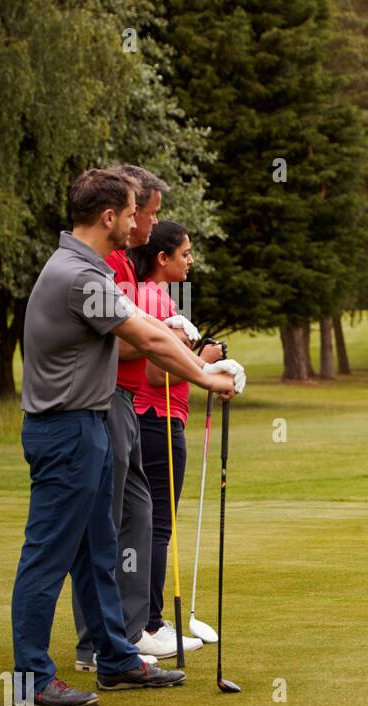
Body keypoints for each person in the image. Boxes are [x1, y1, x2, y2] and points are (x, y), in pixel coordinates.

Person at [12, 168, 244, 706]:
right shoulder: (79, 278)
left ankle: (115, 660)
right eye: (135, 210)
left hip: (87, 424)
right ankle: (31, 677)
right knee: (48, 554)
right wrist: (208, 377)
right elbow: (143, 337)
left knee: (99, 552)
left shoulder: (87, 269)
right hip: (65, 430)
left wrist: (197, 356)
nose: (143, 220)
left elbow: (155, 327)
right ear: (109, 217)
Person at [70, 164, 204, 669]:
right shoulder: (108, 270)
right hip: (111, 406)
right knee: (108, 525)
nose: (140, 225)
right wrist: (194, 361)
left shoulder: (117, 268)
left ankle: (117, 637)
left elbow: (135, 338)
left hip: (117, 405)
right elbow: (133, 349)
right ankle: (116, 638)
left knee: (128, 518)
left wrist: (167, 339)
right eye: (141, 214)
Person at [128, 221, 226, 642]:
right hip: (157, 418)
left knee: (145, 525)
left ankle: (146, 622)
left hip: (153, 419)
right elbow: (154, 371)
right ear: (162, 258)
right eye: (184, 253)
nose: (190, 260)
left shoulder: (153, 296)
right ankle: (150, 623)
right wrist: (204, 360)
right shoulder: (155, 298)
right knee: (156, 527)